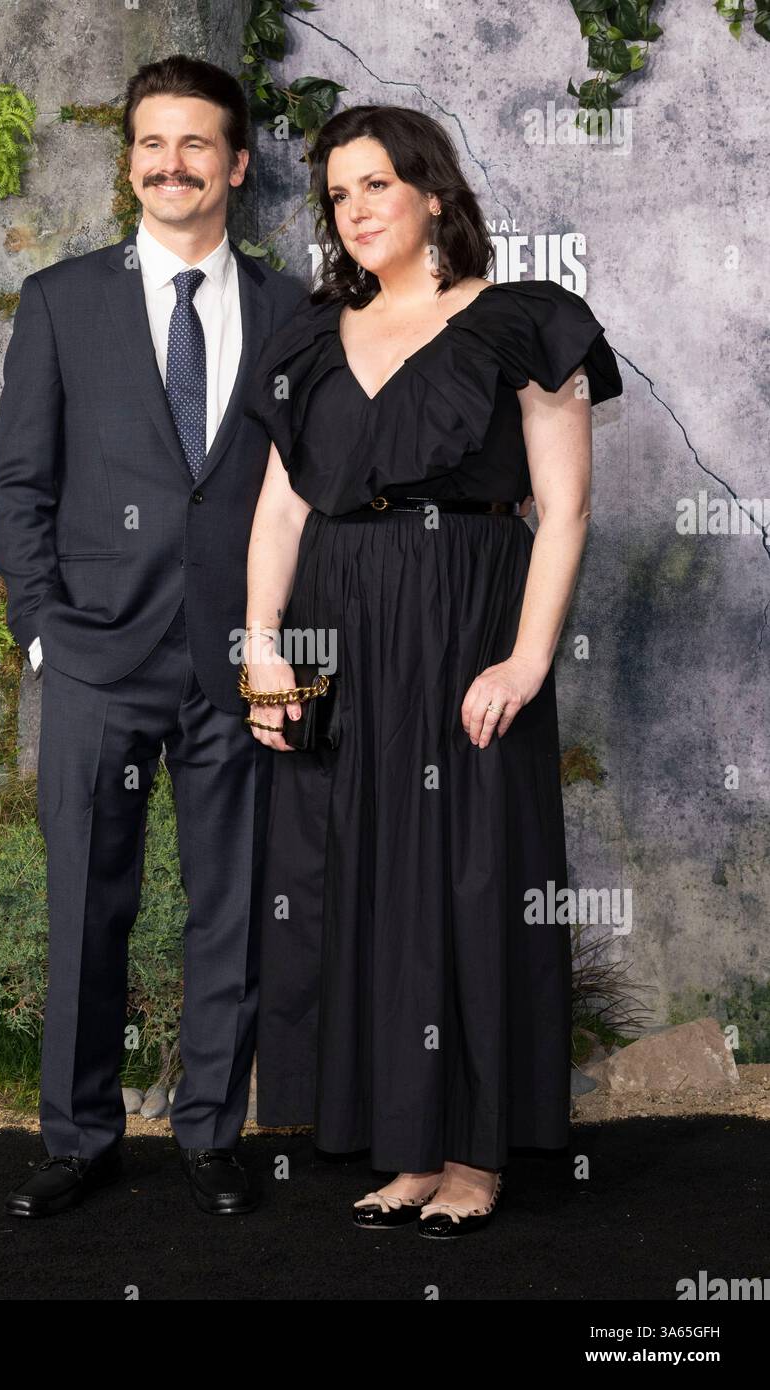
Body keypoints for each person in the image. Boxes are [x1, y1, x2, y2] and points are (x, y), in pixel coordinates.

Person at [240, 104, 623, 1238]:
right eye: (338, 194)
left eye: (375, 186)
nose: (354, 210)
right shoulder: (309, 337)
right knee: (361, 878)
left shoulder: (521, 323)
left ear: (434, 195)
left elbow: (563, 509)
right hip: (341, 624)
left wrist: (524, 655)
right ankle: (402, 1146)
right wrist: (263, 646)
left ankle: (472, 1154)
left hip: (465, 618)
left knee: (467, 876)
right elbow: (277, 509)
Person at [0, 54, 306, 1218]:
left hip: (241, 660)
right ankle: (79, 1140)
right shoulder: (61, 301)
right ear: (130, 162)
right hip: (94, 663)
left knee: (231, 901)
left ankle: (211, 1133)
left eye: (193, 145)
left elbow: (304, 488)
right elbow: (19, 481)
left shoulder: (290, 309)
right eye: (148, 144)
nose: (169, 164)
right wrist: (41, 634)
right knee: (88, 900)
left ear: (233, 164)